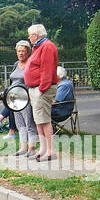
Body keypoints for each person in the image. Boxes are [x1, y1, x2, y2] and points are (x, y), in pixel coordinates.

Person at [23, 23, 59, 161]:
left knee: (44, 120)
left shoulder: (47, 46)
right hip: (35, 88)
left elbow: (47, 69)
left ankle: (50, 151)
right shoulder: (38, 46)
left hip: (41, 88)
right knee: (39, 121)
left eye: (30, 35)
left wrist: (42, 89)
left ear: (37, 35)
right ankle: (43, 149)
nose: (28, 37)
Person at [6, 40, 37, 154]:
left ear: (27, 52)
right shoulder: (16, 64)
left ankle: (31, 148)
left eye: (23, 51)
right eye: (19, 51)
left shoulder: (30, 63)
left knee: (29, 123)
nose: (20, 53)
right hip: (14, 99)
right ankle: (23, 148)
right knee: (19, 123)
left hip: (25, 98)